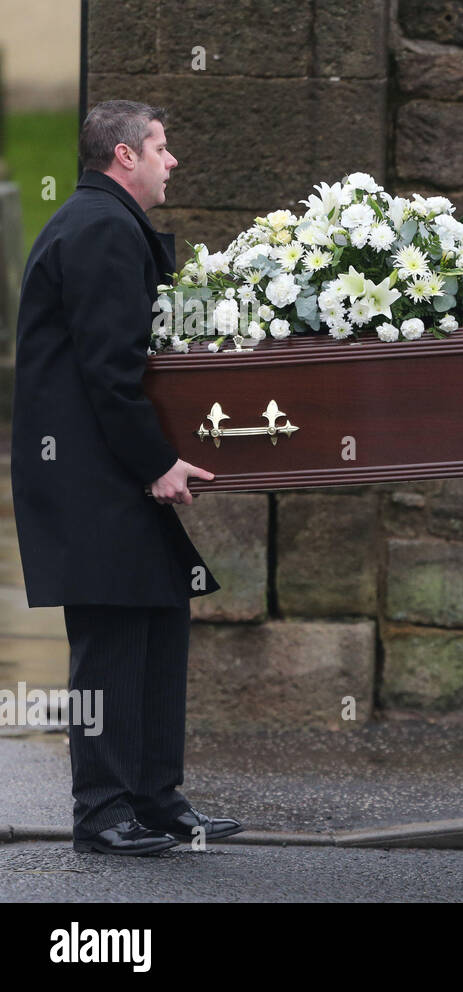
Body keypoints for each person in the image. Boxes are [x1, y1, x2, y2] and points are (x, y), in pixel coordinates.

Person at [10, 100, 242, 855]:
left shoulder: (102, 222)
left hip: (104, 473)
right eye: (162, 147)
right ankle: (103, 812)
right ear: (124, 158)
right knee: (112, 644)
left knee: (158, 621)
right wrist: (159, 462)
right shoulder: (103, 229)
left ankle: (156, 800)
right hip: (92, 476)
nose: (172, 161)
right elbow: (113, 373)